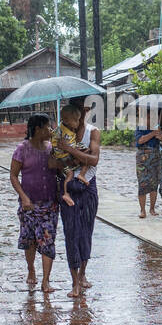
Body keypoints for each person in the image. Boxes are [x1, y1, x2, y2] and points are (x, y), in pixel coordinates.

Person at [51, 101, 101, 299]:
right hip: (67, 189)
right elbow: (51, 162)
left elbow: (94, 160)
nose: (78, 119)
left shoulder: (93, 132)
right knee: (71, 233)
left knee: (86, 232)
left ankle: (82, 275)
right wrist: (69, 159)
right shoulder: (59, 133)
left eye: (82, 113)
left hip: (88, 188)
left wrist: (70, 150)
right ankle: (74, 283)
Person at [11, 114, 61, 295]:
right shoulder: (22, 149)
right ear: (38, 129)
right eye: (48, 127)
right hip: (29, 204)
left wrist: (59, 155)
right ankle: (31, 268)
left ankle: (46, 280)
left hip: (50, 204)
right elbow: (13, 176)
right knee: (30, 240)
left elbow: (59, 168)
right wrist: (23, 197)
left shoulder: (51, 148)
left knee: (48, 240)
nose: (51, 130)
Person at [134, 123, 162, 218]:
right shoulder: (140, 127)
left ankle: (152, 209)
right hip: (142, 157)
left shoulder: (158, 127)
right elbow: (140, 140)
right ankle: (142, 210)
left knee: (154, 184)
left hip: (156, 157)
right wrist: (153, 133)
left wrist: (161, 137)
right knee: (142, 182)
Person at [51, 121, 88, 208]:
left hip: (64, 157)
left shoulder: (59, 130)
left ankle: (80, 175)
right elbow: (65, 146)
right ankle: (66, 193)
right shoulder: (64, 132)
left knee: (86, 154)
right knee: (70, 173)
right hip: (64, 158)